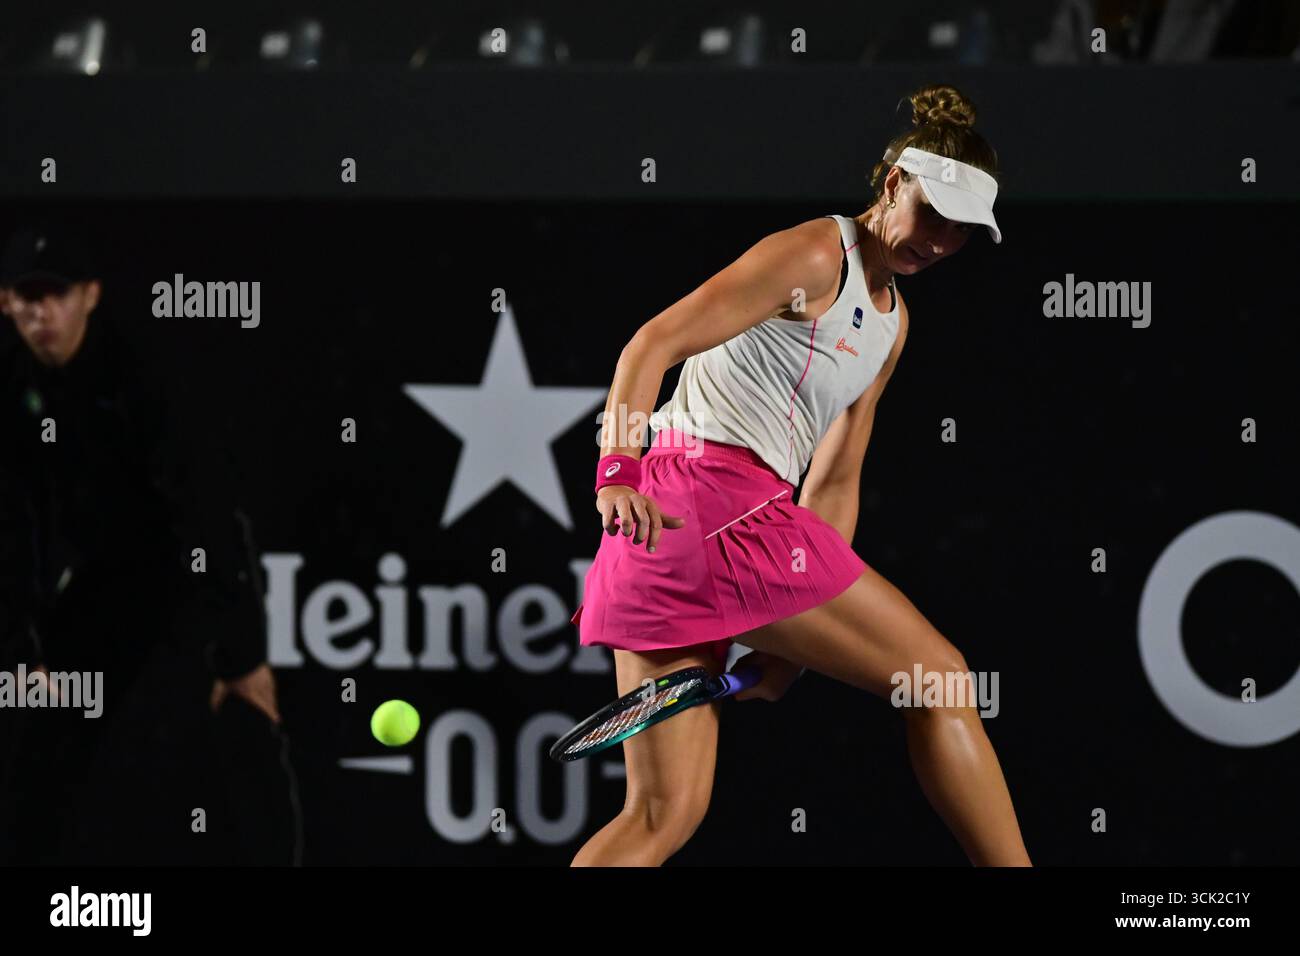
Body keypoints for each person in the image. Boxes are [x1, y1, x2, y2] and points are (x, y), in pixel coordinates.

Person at [569, 84, 1031, 866]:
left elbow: (836, 482)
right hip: (704, 507)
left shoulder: (893, 326)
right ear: (892, 185)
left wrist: (791, 649)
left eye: (961, 232)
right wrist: (617, 470)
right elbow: (650, 345)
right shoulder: (818, 255)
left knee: (659, 819)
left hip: (672, 546)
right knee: (943, 680)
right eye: (933, 215)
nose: (941, 242)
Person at [0, 219, 288, 864]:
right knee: (34, 775)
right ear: (4, 301)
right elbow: (10, 533)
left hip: (170, 597)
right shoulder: (8, 387)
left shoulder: (145, 381)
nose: (42, 312)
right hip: (76, 603)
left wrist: (240, 653)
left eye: (58, 293)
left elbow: (207, 516)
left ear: (92, 294)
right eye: (26, 295)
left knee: (205, 762)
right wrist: (19, 652)